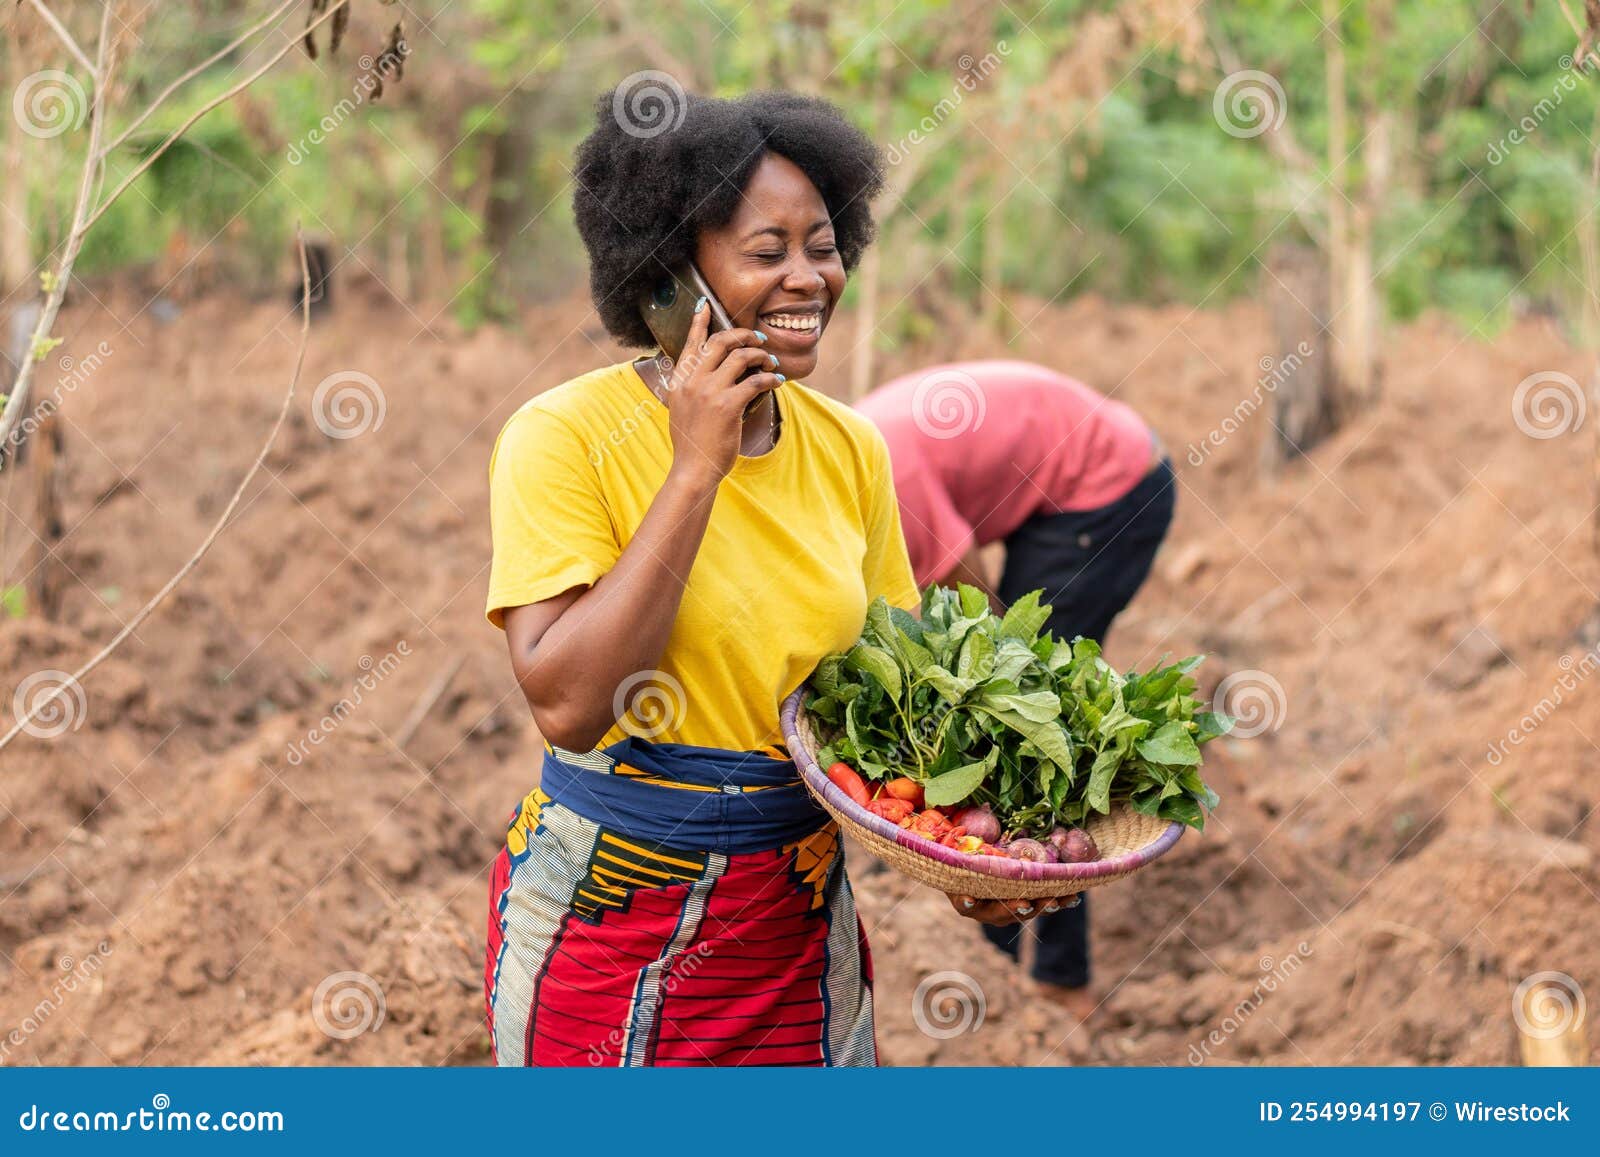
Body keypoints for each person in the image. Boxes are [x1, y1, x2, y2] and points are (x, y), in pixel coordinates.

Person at [483, 92, 1075, 1068]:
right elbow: (567, 701)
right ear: (668, 274)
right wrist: (695, 469)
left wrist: (973, 851)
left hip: (794, 923)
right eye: (767, 251)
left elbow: (894, 697)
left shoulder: (848, 448)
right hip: (612, 919)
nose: (810, 277)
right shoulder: (564, 438)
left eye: (824, 243)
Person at [857, 359, 1175, 1017]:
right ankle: (1012, 962)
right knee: (1009, 722)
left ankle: (1054, 978)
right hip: (1069, 484)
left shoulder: (881, 480)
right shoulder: (852, 458)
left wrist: (994, 682)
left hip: (1114, 484)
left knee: (1034, 726)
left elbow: (966, 590)